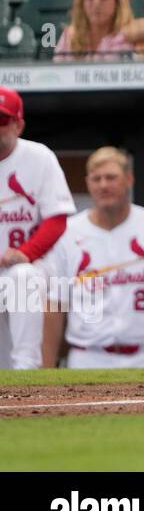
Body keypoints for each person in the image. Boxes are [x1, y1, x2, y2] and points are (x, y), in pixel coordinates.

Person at [40, 147, 144, 369]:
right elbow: (55, 305)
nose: (103, 185)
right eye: (96, 179)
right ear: (88, 183)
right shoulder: (68, 233)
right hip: (88, 356)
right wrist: (47, 368)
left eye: (111, 177)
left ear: (129, 179)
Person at [0, 87, 76, 369]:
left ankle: (27, 367)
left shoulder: (38, 157)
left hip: (31, 264)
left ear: (18, 125)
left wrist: (26, 252)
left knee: (22, 277)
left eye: (2, 120)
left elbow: (57, 219)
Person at [53, 0, 136, 61]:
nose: (96, 3)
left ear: (117, 3)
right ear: (82, 3)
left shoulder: (128, 37)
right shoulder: (68, 37)